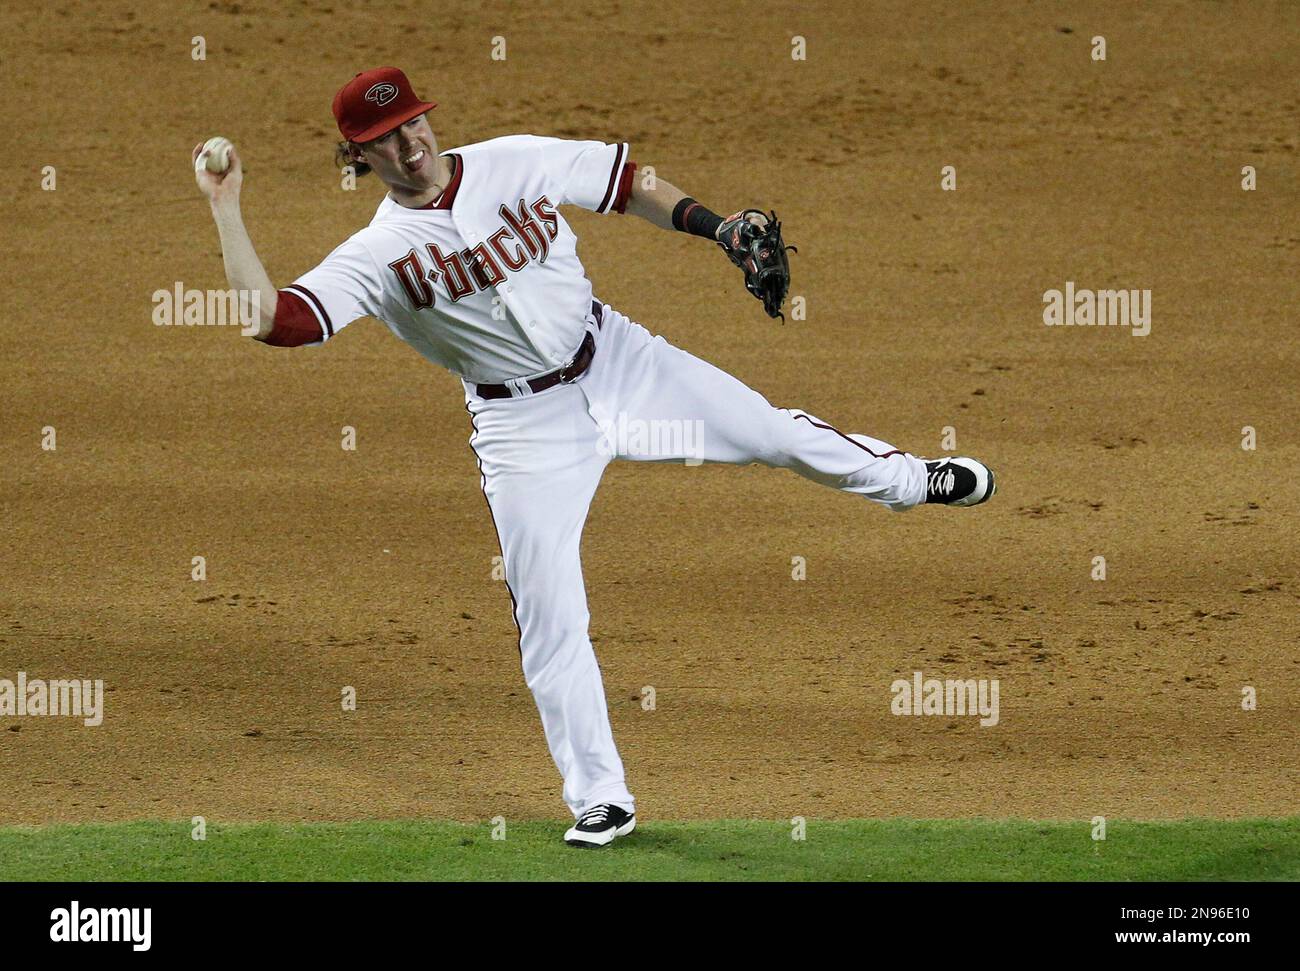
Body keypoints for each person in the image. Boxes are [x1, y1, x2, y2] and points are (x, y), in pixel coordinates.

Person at [193, 66, 996, 848]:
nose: (409, 147)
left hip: (617, 359)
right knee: (549, 612)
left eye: (412, 125)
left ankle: (908, 479)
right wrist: (226, 209)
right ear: (355, 158)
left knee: (770, 431)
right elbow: (276, 320)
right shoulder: (376, 255)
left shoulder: (512, 159)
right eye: (384, 140)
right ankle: (603, 798)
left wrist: (715, 226)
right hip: (524, 430)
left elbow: (627, 182)